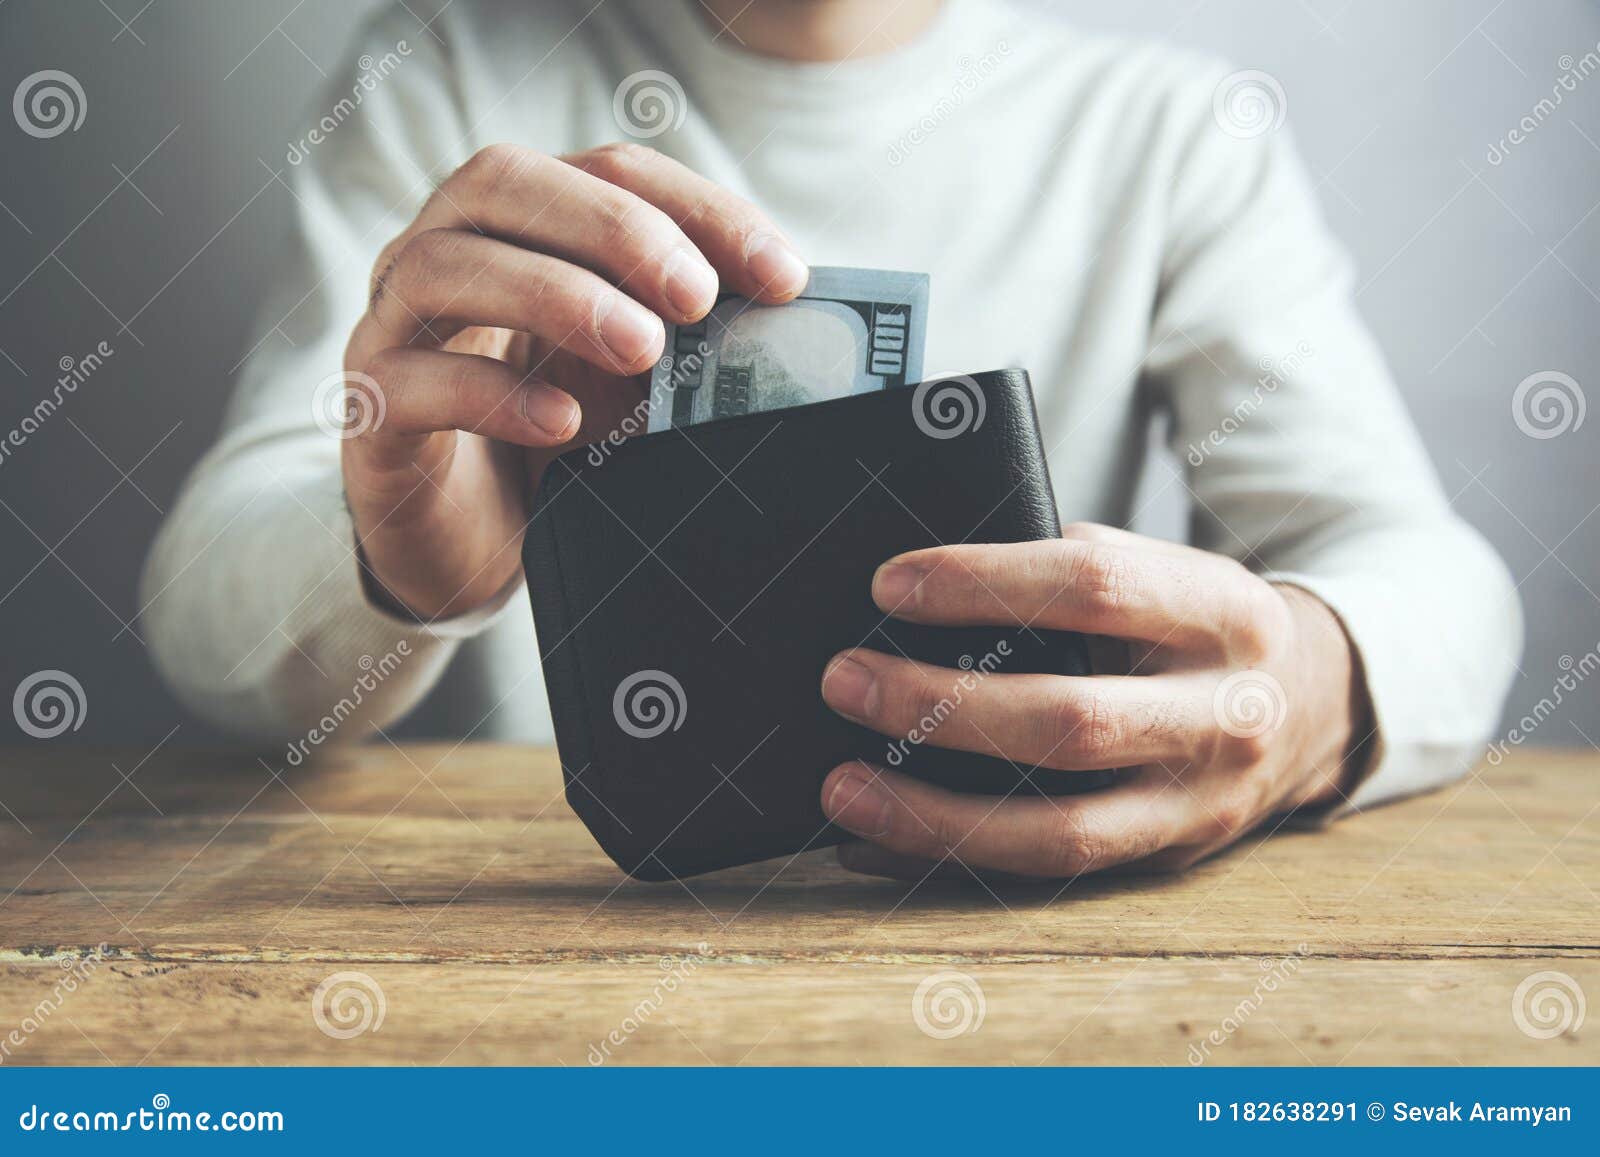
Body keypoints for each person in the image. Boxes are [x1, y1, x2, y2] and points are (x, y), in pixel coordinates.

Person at [141, 0, 1521, 880]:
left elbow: (1421, 565)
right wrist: (400, 557)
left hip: (1001, 948)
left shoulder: (1169, 135)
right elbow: (203, 624)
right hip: (563, 952)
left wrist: (1309, 691)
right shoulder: (440, 73)